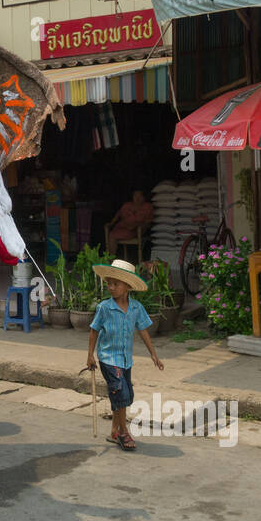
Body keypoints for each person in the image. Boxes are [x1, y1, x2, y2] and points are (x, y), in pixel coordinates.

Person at [86, 259, 165, 451]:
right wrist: (90, 355)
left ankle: (114, 430)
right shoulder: (104, 308)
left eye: (116, 284)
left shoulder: (136, 308)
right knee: (121, 392)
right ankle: (123, 432)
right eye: (109, 283)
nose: (111, 287)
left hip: (125, 360)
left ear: (128, 286)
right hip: (108, 358)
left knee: (123, 395)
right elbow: (94, 330)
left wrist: (154, 355)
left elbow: (143, 330)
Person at [107, 189, 155, 254]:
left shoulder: (148, 207)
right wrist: (111, 223)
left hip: (136, 230)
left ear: (144, 197)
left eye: (139, 196)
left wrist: (137, 225)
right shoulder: (127, 205)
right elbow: (119, 214)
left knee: (112, 236)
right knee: (112, 234)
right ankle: (111, 257)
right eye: (135, 195)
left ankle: (110, 259)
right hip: (123, 227)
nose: (137, 198)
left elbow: (149, 221)